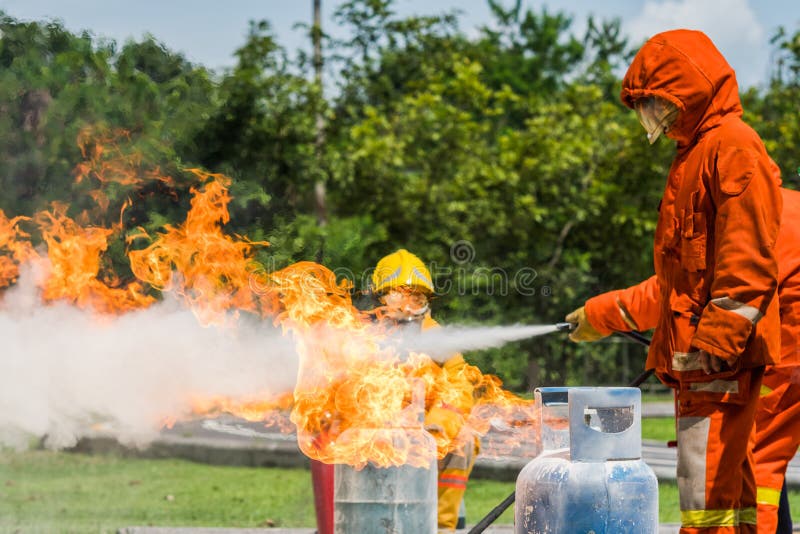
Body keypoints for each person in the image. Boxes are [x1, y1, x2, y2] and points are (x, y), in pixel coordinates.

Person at [566, 29, 783, 533]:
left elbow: (747, 262)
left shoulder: (731, 147)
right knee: (729, 494)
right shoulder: (696, 152)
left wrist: (713, 347)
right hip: (698, 358)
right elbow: (679, 280)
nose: (654, 117)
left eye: (658, 102)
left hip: (714, 360)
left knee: (703, 495)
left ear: (690, 88)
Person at [371, 248, 479, 532]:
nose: (411, 303)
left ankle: (441, 527)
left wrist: (439, 423)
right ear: (382, 297)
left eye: (417, 296)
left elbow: (460, 385)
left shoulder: (437, 338)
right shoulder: (362, 336)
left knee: (464, 440)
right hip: (375, 433)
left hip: (426, 432)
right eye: (402, 294)